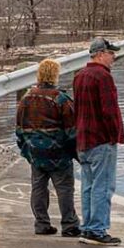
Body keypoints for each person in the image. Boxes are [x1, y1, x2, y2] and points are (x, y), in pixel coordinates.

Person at [15, 59, 79, 237]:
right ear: (55, 75)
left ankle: (41, 224)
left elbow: (19, 130)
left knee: (38, 188)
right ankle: (69, 225)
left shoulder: (26, 99)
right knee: (64, 189)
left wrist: (27, 151)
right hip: (58, 154)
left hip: (35, 153)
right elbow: (72, 132)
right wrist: (76, 154)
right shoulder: (61, 99)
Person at [74, 37, 124, 246]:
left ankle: (87, 227)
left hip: (83, 139)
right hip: (101, 140)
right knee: (103, 186)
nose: (114, 57)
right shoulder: (103, 77)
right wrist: (115, 136)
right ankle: (97, 230)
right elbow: (109, 111)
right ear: (101, 54)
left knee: (88, 186)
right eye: (111, 53)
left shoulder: (79, 76)